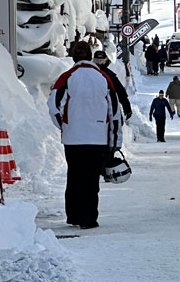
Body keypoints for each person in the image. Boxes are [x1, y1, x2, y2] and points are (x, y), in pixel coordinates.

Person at [48, 41, 122, 230]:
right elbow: (115, 113)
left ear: (73, 57)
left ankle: (73, 215)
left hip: (73, 138)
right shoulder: (103, 78)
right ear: (90, 56)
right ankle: (88, 218)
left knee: (74, 175)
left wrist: (65, 126)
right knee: (91, 178)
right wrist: (115, 141)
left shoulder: (67, 77)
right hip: (98, 137)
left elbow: (54, 106)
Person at [92, 50, 133, 121]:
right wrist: (127, 108)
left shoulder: (87, 74)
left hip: (88, 110)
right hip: (108, 110)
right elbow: (121, 92)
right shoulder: (110, 75)